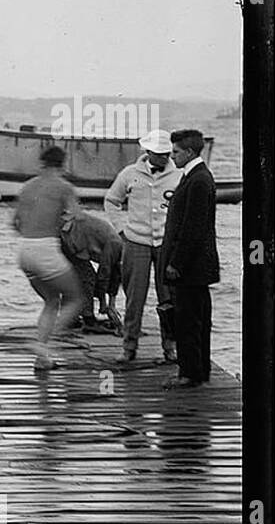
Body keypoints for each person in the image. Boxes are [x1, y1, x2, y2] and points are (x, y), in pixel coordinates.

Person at [103, 129, 182, 364]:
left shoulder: (178, 176)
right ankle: (129, 347)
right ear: (147, 152)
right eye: (158, 153)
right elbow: (111, 200)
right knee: (134, 298)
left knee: (168, 298)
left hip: (165, 244)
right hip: (136, 242)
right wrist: (121, 230)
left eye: (166, 153)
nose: (163, 157)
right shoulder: (129, 174)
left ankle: (170, 347)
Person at [13, 146, 83, 371]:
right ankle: (44, 345)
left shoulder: (27, 187)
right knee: (76, 298)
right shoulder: (64, 187)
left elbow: (15, 223)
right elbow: (75, 215)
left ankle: (41, 359)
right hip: (45, 247)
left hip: (24, 249)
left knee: (51, 300)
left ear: (42, 164)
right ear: (62, 165)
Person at [160, 129, 219, 388]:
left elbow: (192, 228)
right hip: (197, 266)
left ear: (189, 152)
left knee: (188, 320)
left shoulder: (197, 180)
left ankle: (189, 373)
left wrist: (176, 263)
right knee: (196, 319)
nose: (171, 157)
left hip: (191, 267)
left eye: (175, 152)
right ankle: (198, 370)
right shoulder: (196, 177)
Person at [60, 210, 123, 332]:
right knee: (87, 277)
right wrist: (103, 304)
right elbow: (103, 274)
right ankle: (88, 319)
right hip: (70, 237)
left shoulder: (119, 254)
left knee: (77, 278)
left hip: (76, 239)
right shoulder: (116, 245)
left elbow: (114, 278)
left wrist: (111, 305)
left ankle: (69, 317)